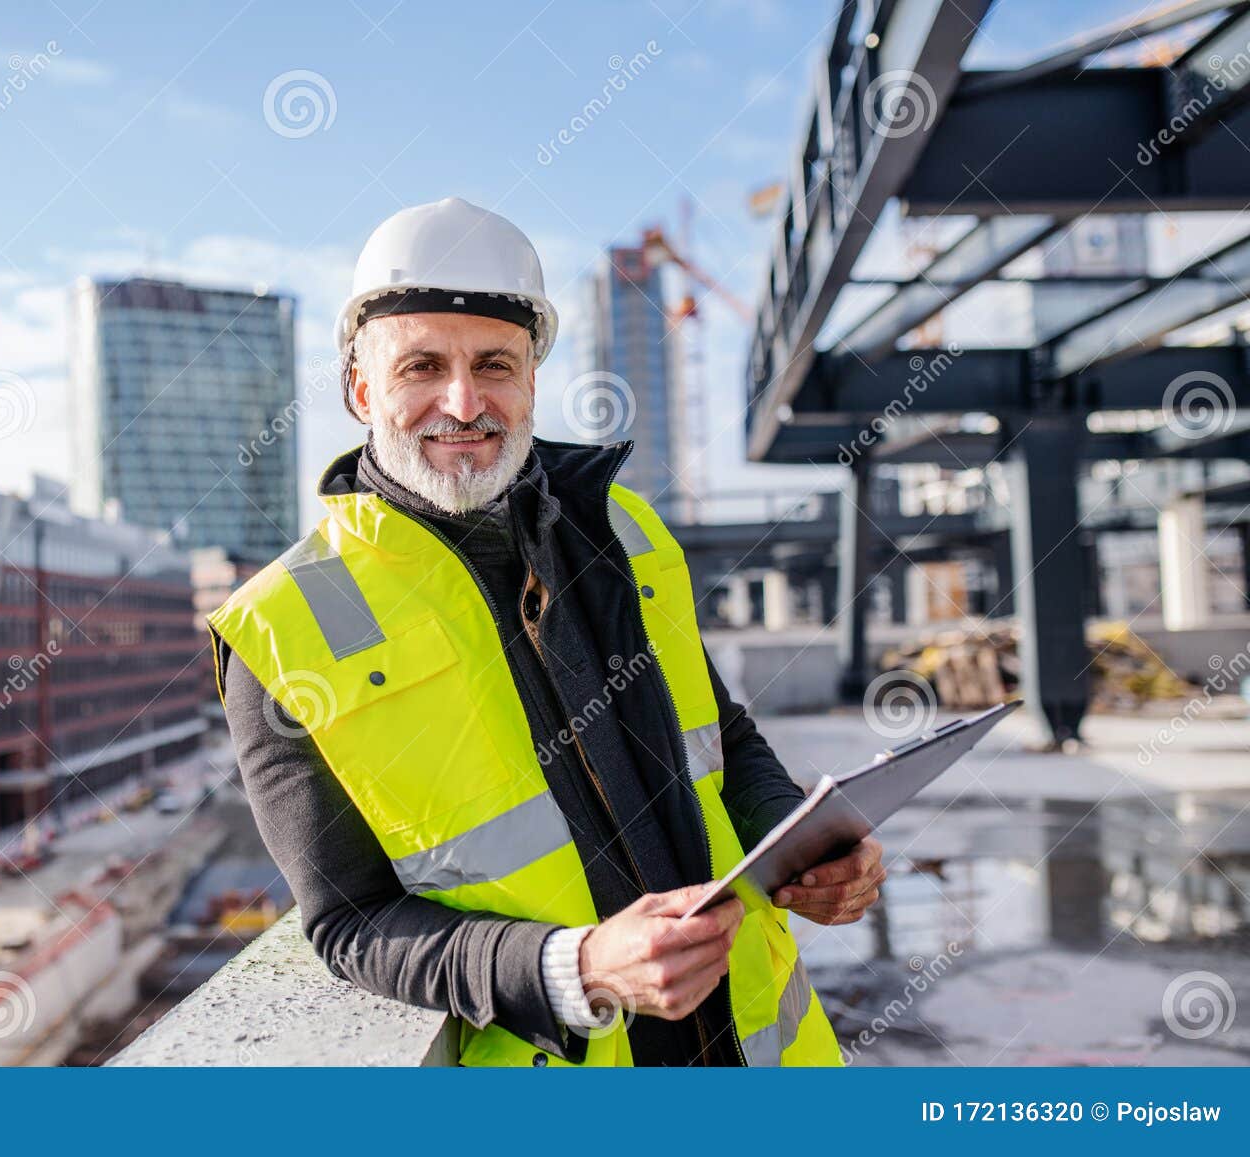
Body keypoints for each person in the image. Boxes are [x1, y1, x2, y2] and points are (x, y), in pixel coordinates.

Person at [208, 197, 885, 1066]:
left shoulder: (629, 531)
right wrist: (575, 967)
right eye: (421, 365)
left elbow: (725, 736)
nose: (463, 401)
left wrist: (803, 843)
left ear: (532, 379)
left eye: (495, 363)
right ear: (361, 387)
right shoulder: (283, 627)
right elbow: (350, 922)